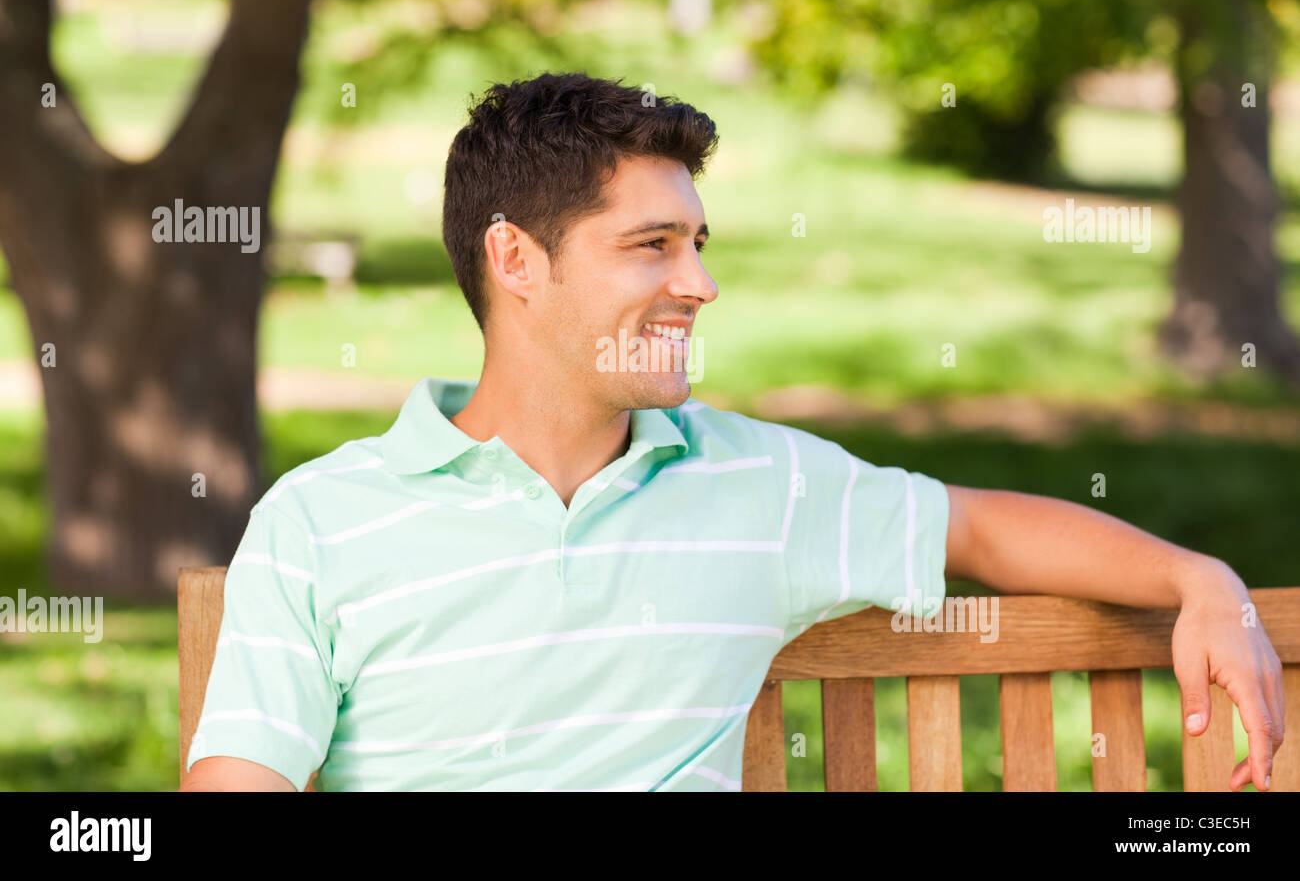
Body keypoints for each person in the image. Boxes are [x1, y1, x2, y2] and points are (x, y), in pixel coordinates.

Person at [181, 72, 1284, 792]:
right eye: (651, 244)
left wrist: (1199, 581)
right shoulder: (327, 521)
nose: (699, 283)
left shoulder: (759, 485)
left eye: (699, 241)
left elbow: (984, 532)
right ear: (515, 260)